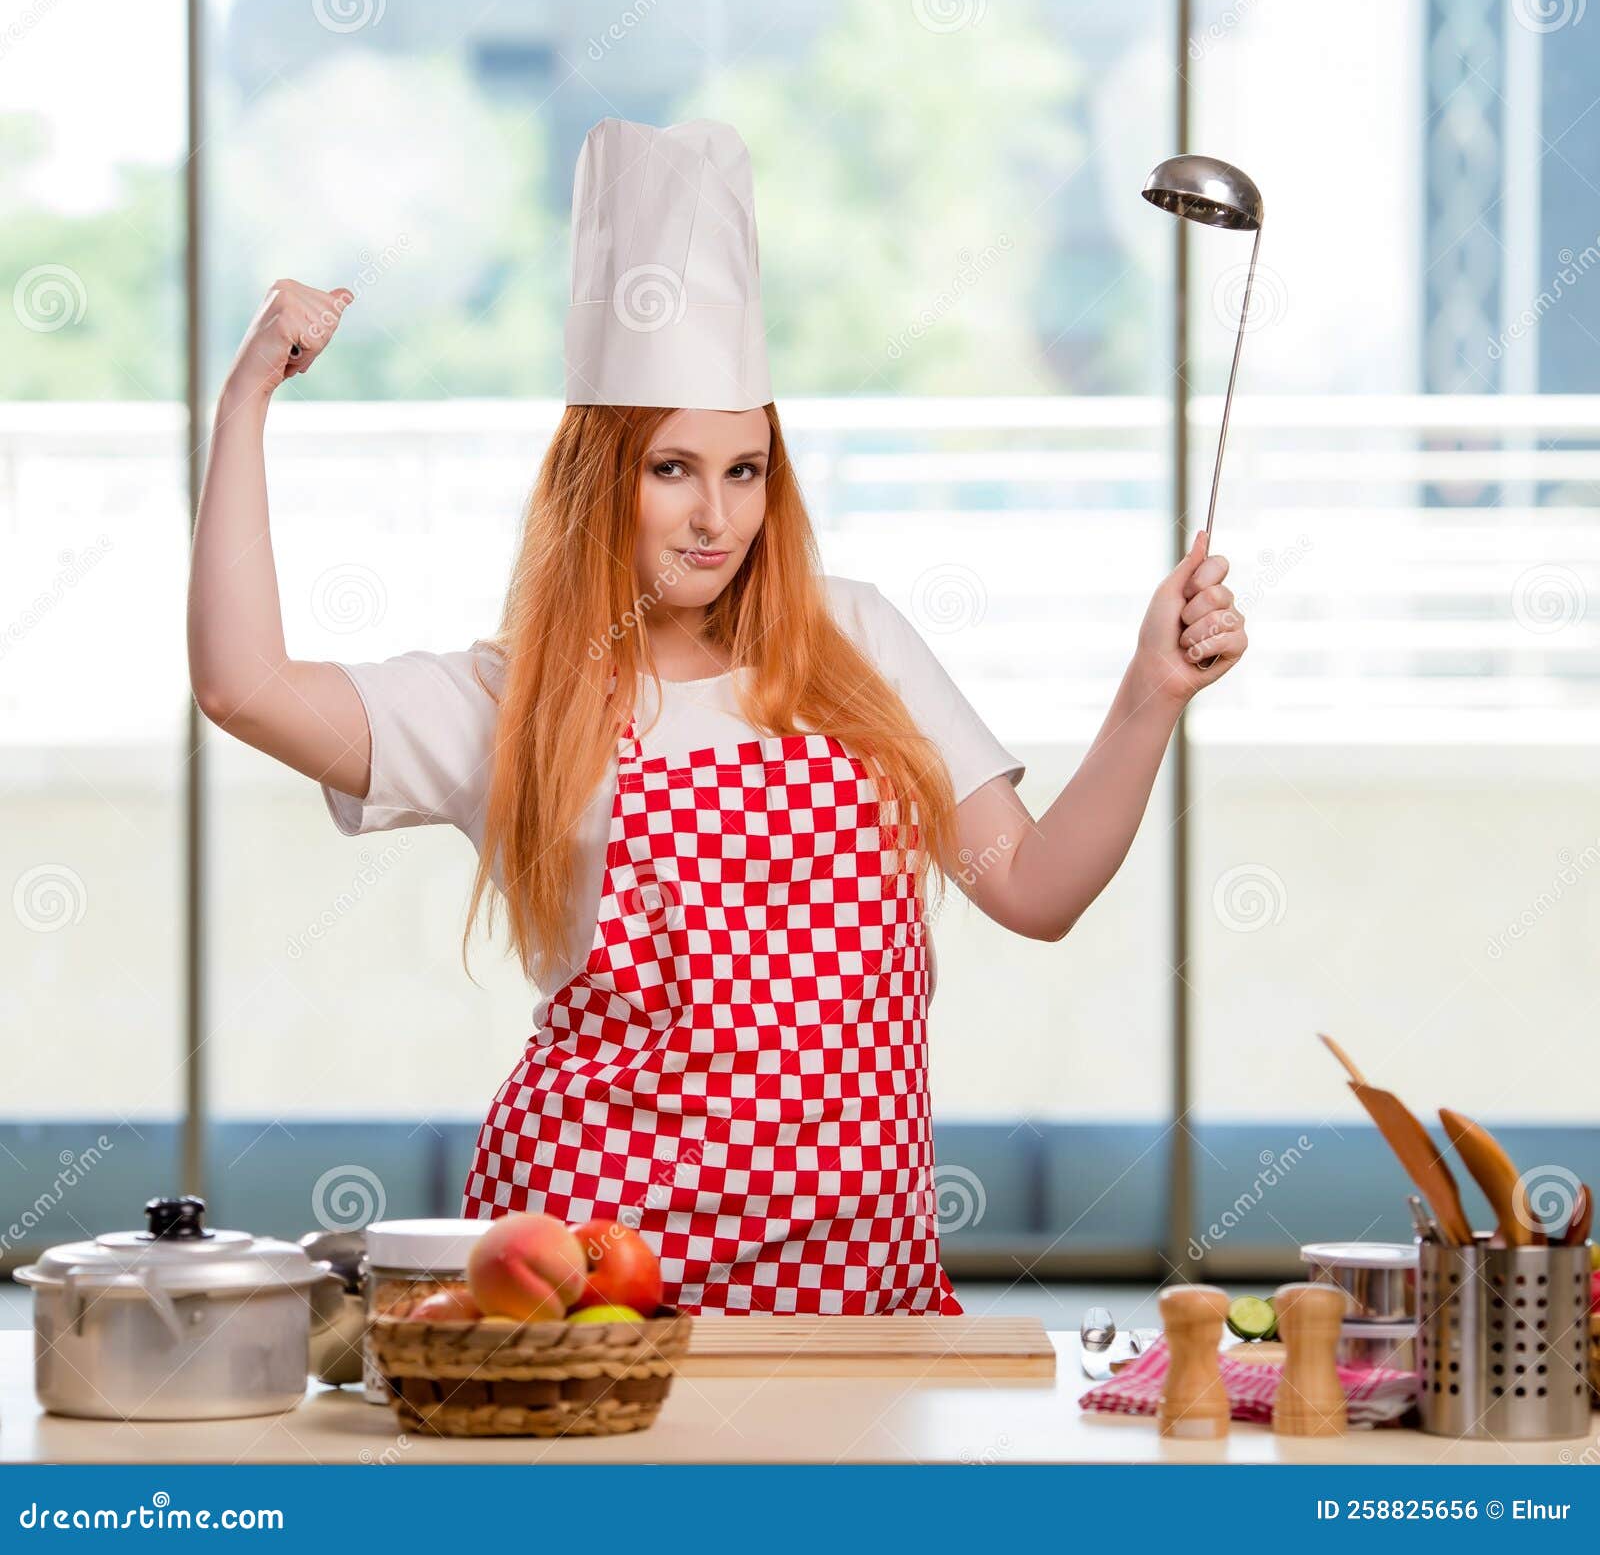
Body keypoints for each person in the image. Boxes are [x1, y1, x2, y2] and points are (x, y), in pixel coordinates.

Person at [188, 118, 1248, 1315]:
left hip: (855, 1261)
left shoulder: (857, 641)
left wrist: (1150, 690)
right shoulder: (511, 701)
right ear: (600, 480)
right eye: (672, 468)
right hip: (591, 1267)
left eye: (744, 470)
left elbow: (1036, 886)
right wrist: (246, 400)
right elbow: (242, 684)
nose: (715, 517)